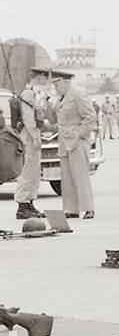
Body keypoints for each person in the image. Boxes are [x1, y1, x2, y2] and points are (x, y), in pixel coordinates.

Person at [52, 70, 97, 218]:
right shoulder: (60, 98)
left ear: (66, 81)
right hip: (64, 142)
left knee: (80, 176)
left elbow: (90, 117)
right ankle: (71, 209)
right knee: (67, 178)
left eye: (57, 84)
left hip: (77, 142)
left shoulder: (77, 94)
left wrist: (79, 134)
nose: (55, 88)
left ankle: (88, 208)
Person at [14, 65, 52, 221]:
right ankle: (22, 205)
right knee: (28, 170)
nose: (46, 80)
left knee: (34, 171)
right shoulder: (28, 93)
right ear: (40, 76)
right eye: (45, 77)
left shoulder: (33, 92)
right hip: (28, 137)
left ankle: (30, 203)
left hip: (33, 135)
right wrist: (36, 138)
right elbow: (29, 119)